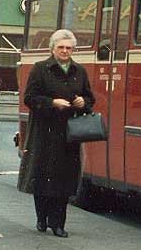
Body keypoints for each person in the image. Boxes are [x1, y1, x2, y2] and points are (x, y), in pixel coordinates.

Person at [22, 29, 95, 237]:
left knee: (64, 181)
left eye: (68, 48)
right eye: (61, 47)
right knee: (43, 178)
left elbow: (89, 99)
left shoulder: (79, 71)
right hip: (44, 133)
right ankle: (41, 218)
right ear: (53, 48)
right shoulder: (39, 69)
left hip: (68, 135)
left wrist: (84, 102)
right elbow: (29, 98)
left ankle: (58, 224)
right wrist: (52, 103)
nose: (65, 51)